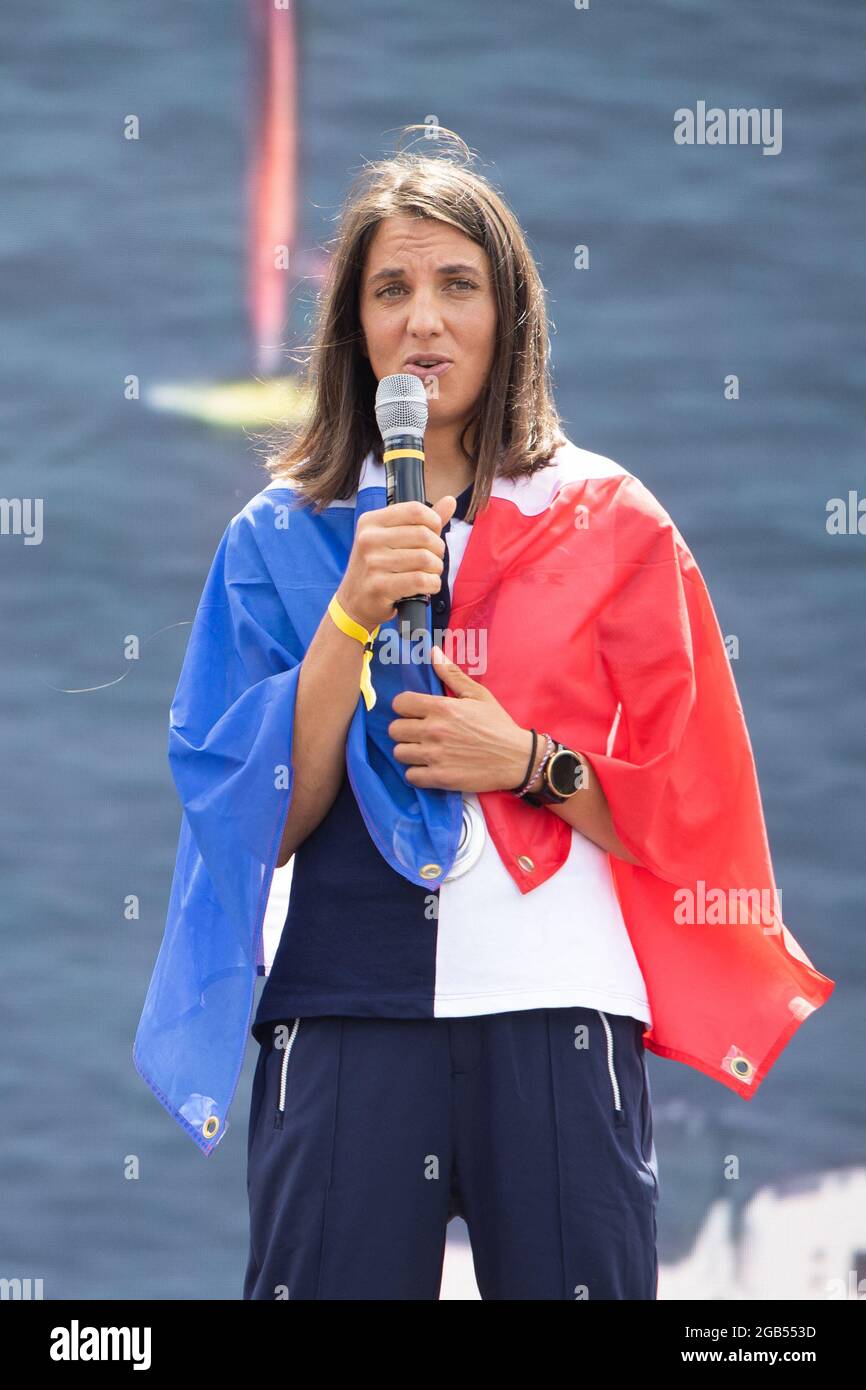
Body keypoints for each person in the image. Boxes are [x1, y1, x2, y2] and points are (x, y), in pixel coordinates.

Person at [133, 128, 834, 1301]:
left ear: (509, 314)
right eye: (390, 289)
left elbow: (689, 815)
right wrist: (348, 617)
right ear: (352, 328)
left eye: (457, 285)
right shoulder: (277, 536)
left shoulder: (611, 522)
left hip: (557, 1019)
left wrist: (529, 762)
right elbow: (255, 815)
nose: (423, 320)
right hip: (346, 1012)